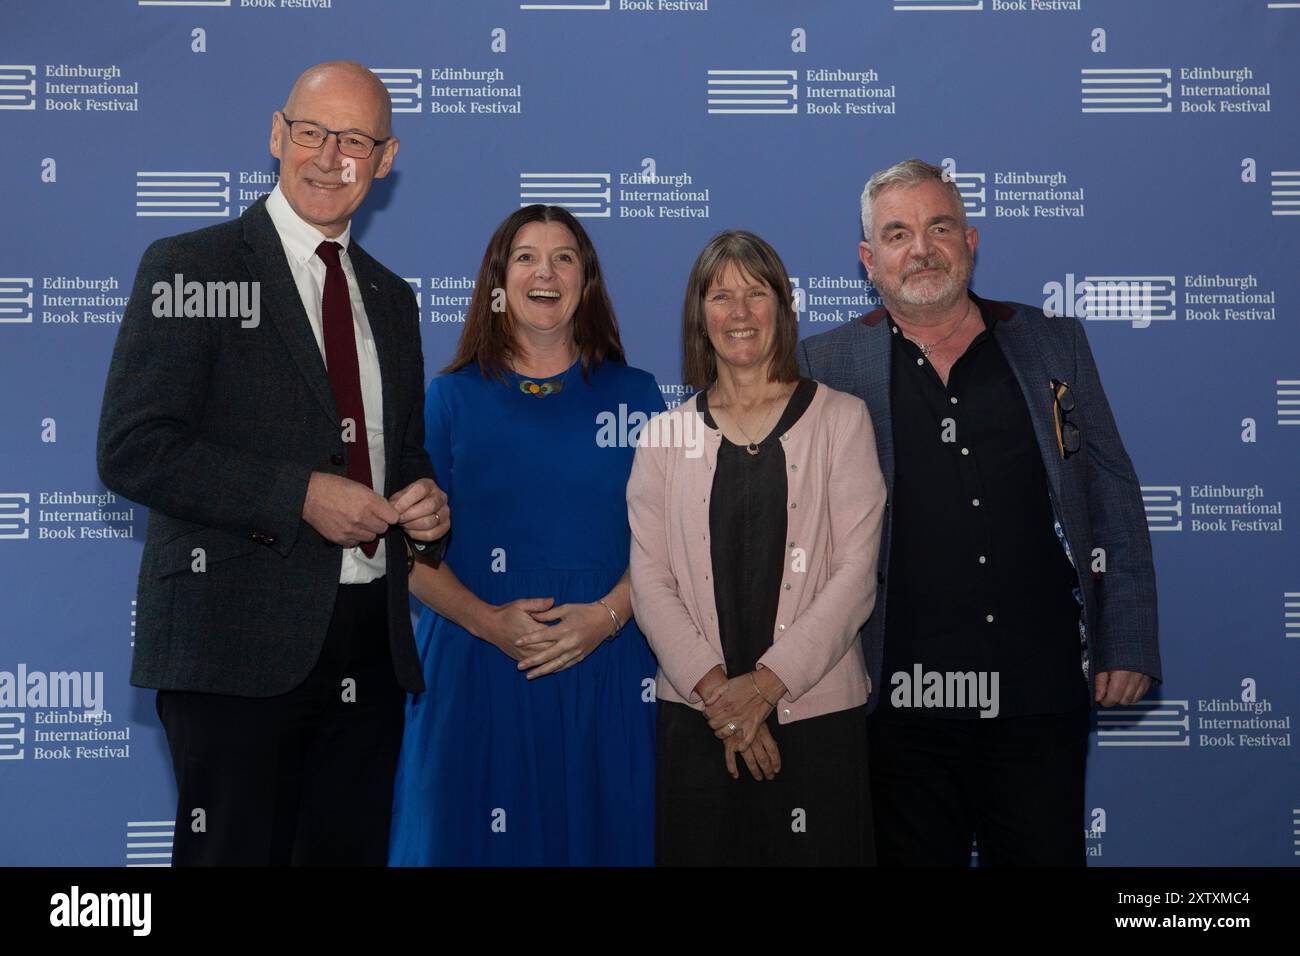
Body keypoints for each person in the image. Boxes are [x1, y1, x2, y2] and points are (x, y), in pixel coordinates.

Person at [96, 61, 449, 866]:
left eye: (354, 140)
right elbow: (133, 446)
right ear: (276, 135)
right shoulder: (195, 267)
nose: (329, 157)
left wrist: (425, 506)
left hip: (370, 646)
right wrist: (298, 495)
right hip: (235, 645)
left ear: (385, 158)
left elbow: (402, 452)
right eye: (312, 132)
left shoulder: (391, 298)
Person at [797, 159, 1161, 866]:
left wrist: (1130, 640)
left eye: (939, 228)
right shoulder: (827, 362)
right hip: (897, 696)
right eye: (898, 234)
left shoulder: (1053, 343)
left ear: (970, 240)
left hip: (1040, 689)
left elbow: (1111, 490)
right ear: (869, 261)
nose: (921, 249)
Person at [388, 205, 663, 866]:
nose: (546, 271)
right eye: (527, 257)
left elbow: (670, 541)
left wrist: (605, 618)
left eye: (565, 257)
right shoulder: (448, 399)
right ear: (498, 281)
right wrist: (487, 621)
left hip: (606, 669)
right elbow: (408, 555)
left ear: (586, 282)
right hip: (476, 669)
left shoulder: (638, 395)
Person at [628, 230, 887, 866]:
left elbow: (856, 576)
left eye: (756, 293)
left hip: (816, 717)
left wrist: (765, 688)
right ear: (699, 316)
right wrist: (725, 700)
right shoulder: (662, 437)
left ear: (783, 307)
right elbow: (649, 582)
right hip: (697, 720)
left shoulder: (842, 421)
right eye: (721, 296)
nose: (739, 312)